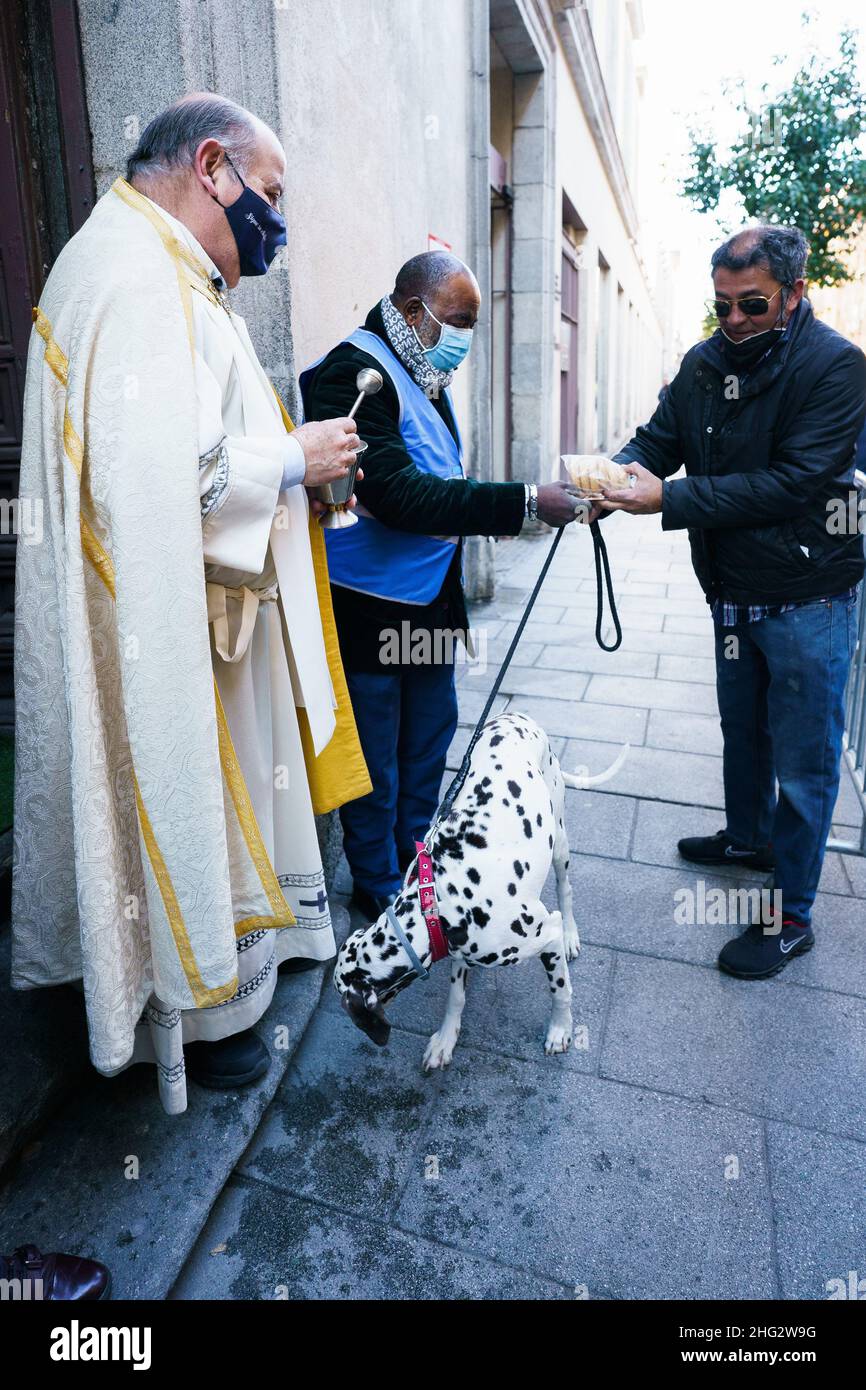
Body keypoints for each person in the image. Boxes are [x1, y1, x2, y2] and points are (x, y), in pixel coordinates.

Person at [12, 94, 370, 1112]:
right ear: (211, 167)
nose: (279, 221)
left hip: (223, 602)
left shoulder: (161, 263)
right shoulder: (136, 277)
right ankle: (211, 1018)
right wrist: (290, 458)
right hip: (188, 624)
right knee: (202, 795)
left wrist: (293, 468)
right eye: (270, 191)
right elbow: (162, 484)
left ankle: (240, 978)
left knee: (245, 798)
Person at [597, 225, 866, 979]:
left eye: (753, 304)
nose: (737, 320)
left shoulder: (837, 368)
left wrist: (668, 498)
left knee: (807, 761)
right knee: (742, 731)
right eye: (724, 306)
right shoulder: (705, 362)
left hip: (809, 596)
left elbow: (794, 482)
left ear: (793, 295)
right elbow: (657, 439)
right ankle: (748, 839)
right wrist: (609, 479)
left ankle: (792, 919)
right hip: (732, 591)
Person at [301, 251, 581, 919]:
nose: (464, 336)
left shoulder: (422, 372)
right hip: (370, 609)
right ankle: (376, 883)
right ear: (410, 310)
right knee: (377, 755)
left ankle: (415, 862)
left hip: (428, 605)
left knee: (428, 738)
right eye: (458, 320)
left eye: (472, 323)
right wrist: (524, 502)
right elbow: (396, 493)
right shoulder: (354, 372)